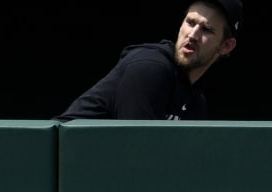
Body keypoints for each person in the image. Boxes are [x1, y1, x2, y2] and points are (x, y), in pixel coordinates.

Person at [56, 0, 241, 121]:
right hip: (56, 170)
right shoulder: (150, 68)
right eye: (190, 22)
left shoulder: (195, 100)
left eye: (207, 29)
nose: (192, 35)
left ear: (226, 46)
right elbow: (138, 154)